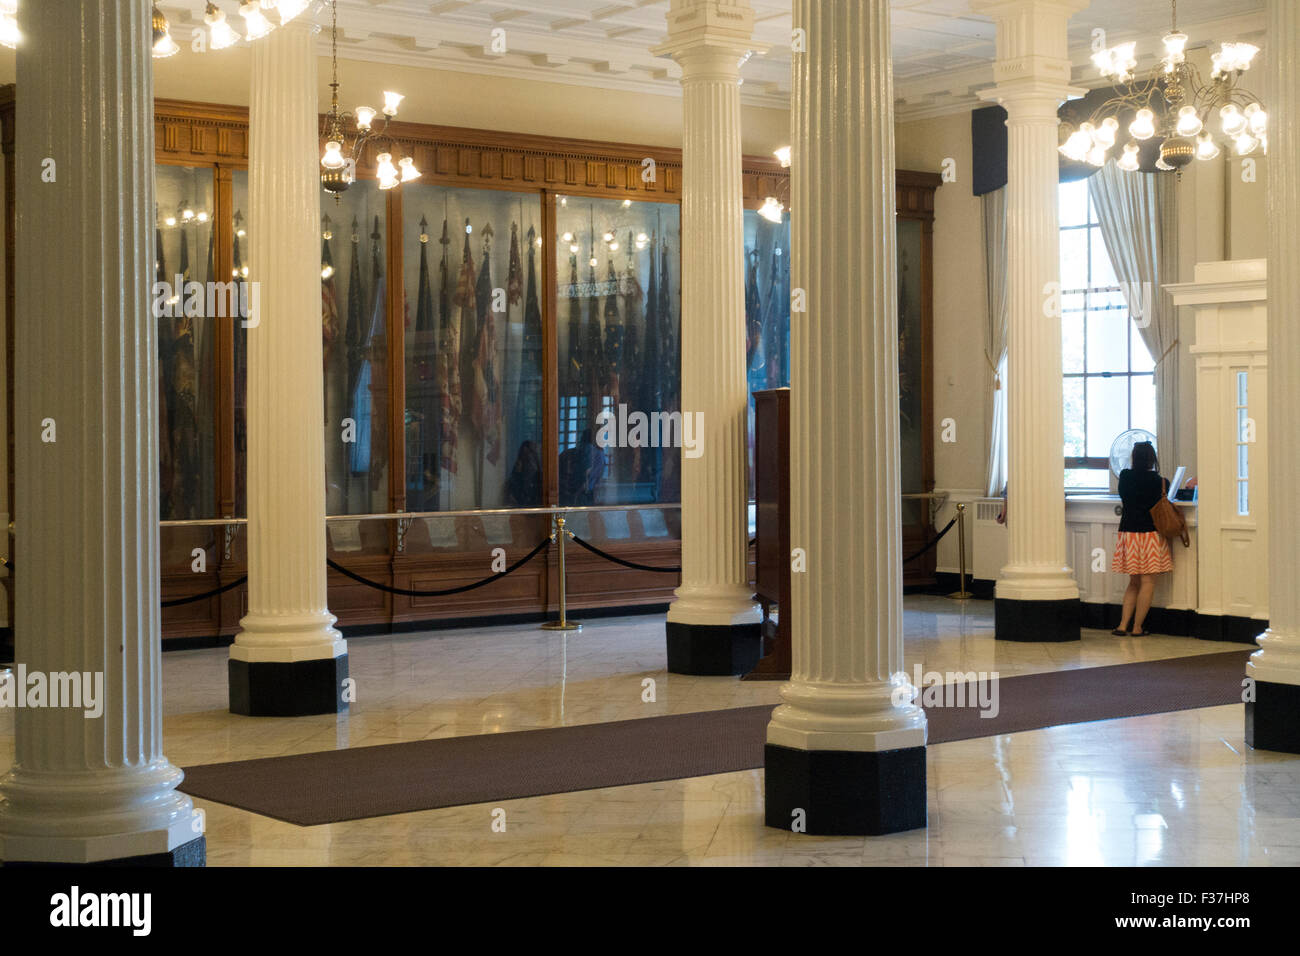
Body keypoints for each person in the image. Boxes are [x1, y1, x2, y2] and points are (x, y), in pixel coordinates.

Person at [1110, 441, 1172, 636]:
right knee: (1148, 582)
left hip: (1128, 533)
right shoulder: (1161, 481)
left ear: (1133, 457)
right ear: (1152, 459)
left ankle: (1122, 625)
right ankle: (1137, 627)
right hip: (1151, 535)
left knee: (1133, 582)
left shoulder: (1125, 477)